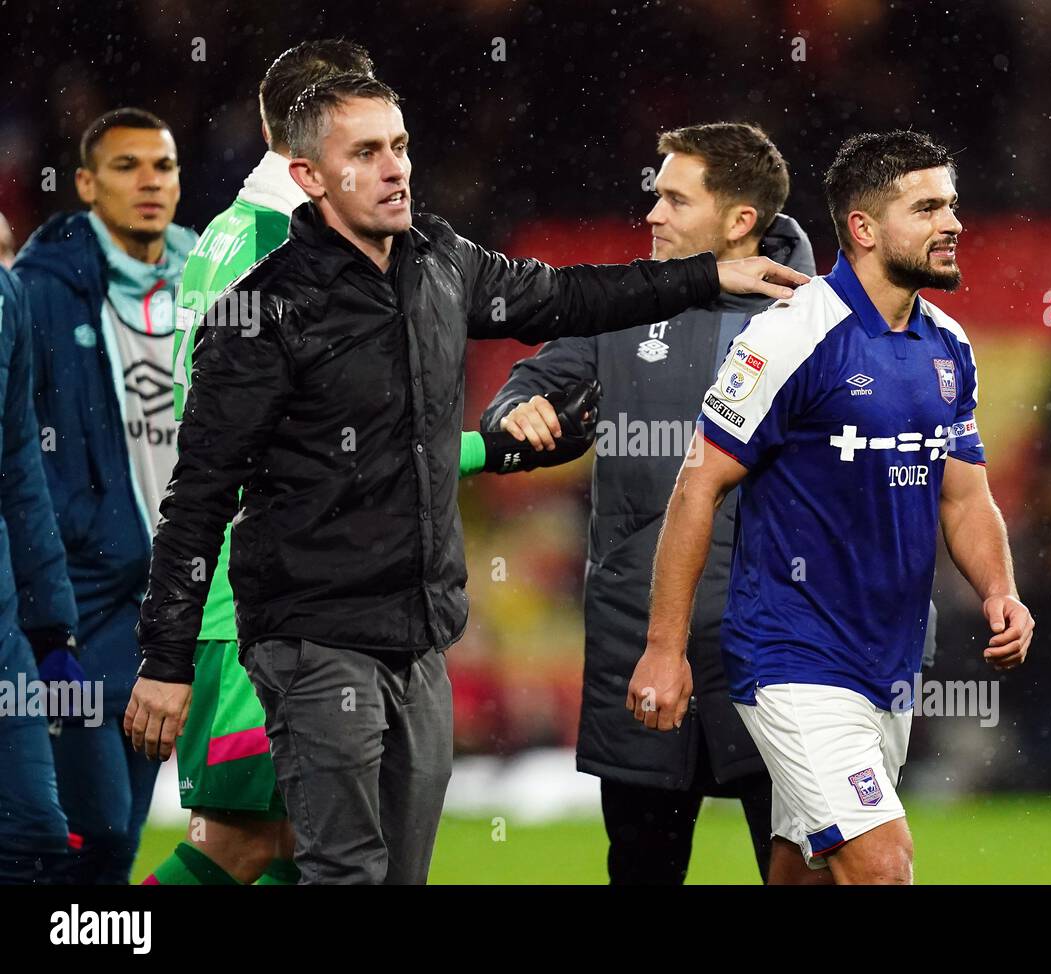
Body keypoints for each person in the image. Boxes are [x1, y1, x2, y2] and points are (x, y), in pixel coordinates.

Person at [128, 74, 808, 884]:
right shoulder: (264, 312)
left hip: (419, 639)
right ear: (309, 178)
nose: (395, 169)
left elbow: (565, 294)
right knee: (334, 867)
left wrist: (705, 278)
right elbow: (198, 498)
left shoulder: (440, 265)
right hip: (314, 636)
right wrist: (166, 660)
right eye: (366, 153)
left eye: (401, 147)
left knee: (389, 873)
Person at [628, 130, 1034, 885]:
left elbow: (965, 492)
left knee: (806, 872)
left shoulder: (948, 345)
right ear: (864, 229)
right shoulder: (789, 335)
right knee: (881, 865)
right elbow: (698, 485)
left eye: (951, 205)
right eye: (927, 208)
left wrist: (999, 589)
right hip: (793, 655)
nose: (952, 223)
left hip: (888, 664)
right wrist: (664, 646)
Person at [484, 122, 833, 884]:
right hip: (638, 647)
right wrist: (518, 410)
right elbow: (528, 383)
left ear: (740, 221)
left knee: (803, 872)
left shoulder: (820, 326)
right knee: (641, 869)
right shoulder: (624, 304)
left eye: (675, 198)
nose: (653, 213)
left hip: (774, 654)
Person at [14, 108, 198, 884]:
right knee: (88, 834)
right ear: (86, 184)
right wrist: (73, 534)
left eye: (161, 166)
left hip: (177, 596)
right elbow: (19, 437)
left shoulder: (211, 282)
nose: (149, 182)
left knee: (123, 828)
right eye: (126, 167)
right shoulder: (41, 291)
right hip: (81, 600)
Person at [0, 264, 81, 884]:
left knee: (33, 832)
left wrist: (52, 627)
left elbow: (21, 466)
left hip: (4, 626)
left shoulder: (6, 299)